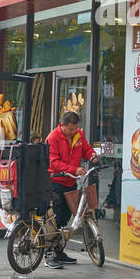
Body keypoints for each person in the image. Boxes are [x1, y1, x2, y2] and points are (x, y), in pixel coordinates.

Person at [45, 111, 98, 270]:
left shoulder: (78, 135)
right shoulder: (53, 137)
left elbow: (86, 150)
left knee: (67, 218)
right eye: (70, 129)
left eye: (76, 128)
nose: (73, 132)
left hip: (71, 183)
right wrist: (74, 169)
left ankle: (59, 252)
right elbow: (53, 162)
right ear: (62, 125)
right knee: (57, 218)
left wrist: (92, 156)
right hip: (56, 182)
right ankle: (48, 254)